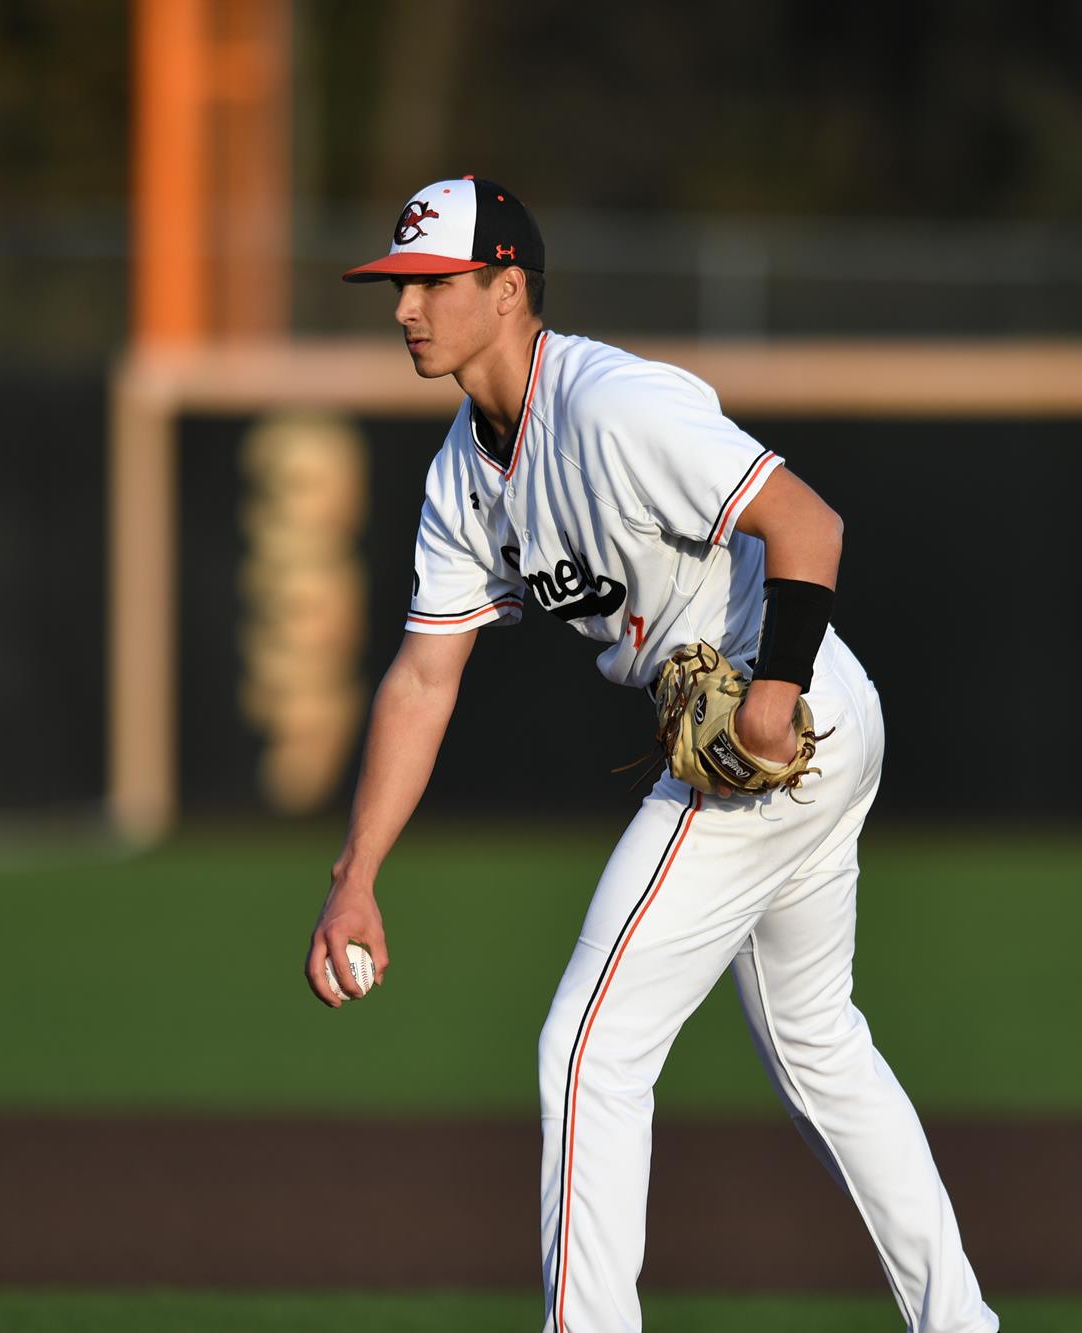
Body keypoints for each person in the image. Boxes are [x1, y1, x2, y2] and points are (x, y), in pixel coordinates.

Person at [306, 176, 998, 1333]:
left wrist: (771, 691)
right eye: (397, 288)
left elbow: (808, 523)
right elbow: (424, 677)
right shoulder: (460, 476)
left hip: (784, 716)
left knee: (587, 1048)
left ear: (507, 287)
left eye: (430, 284)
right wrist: (354, 873)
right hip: (778, 735)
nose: (404, 310)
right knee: (819, 1048)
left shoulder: (611, 404)